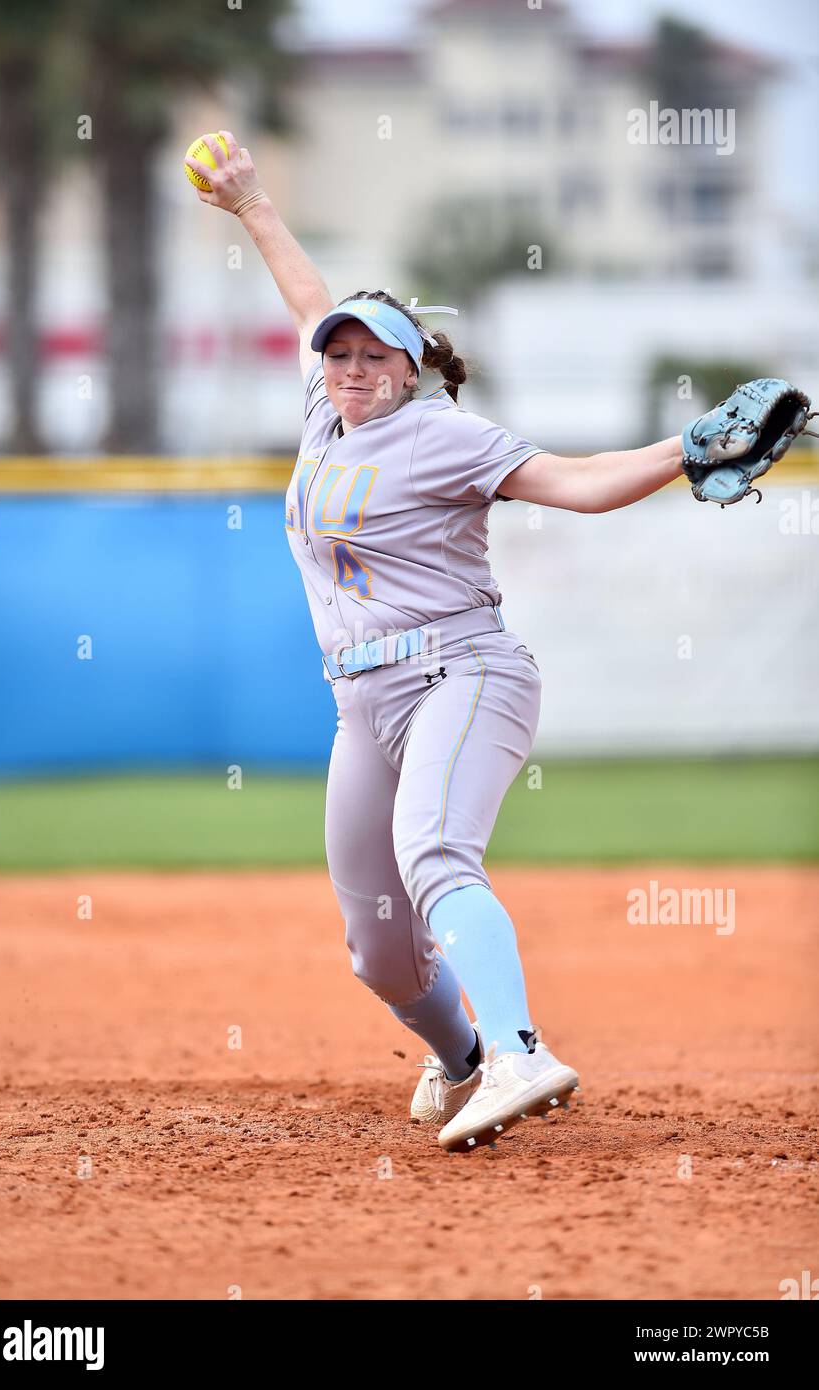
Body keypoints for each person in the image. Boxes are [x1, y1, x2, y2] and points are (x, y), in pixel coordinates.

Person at [186, 132, 684, 1152]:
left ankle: (519, 1051)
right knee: (377, 949)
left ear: (410, 368)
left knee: (433, 850)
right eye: (339, 351)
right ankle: (461, 1059)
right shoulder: (325, 425)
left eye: (374, 353)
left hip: (461, 670)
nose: (351, 366)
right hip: (360, 706)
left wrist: (685, 448)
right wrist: (251, 206)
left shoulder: (440, 433)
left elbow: (579, 483)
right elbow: (303, 294)